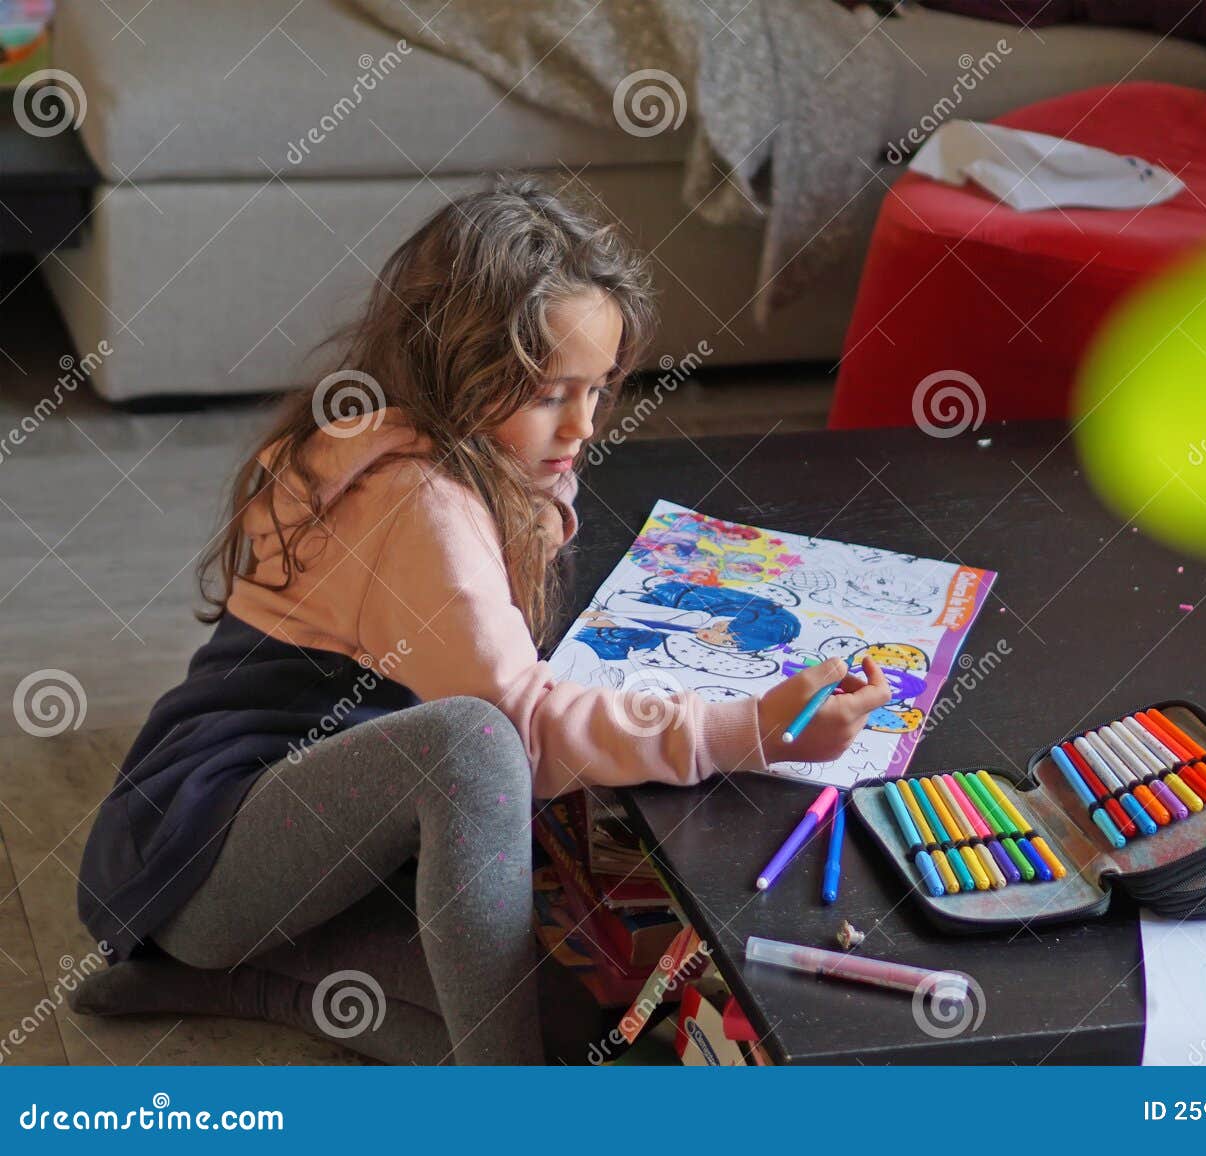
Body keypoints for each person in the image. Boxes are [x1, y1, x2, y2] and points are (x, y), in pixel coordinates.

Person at [72, 176, 891, 1064]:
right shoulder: (415, 500)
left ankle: (223, 980)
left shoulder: (476, 463)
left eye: (600, 386)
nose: (584, 423)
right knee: (475, 745)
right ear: (455, 370)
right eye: (549, 394)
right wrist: (748, 729)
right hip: (211, 852)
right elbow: (516, 730)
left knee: (576, 1027)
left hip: (339, 841)